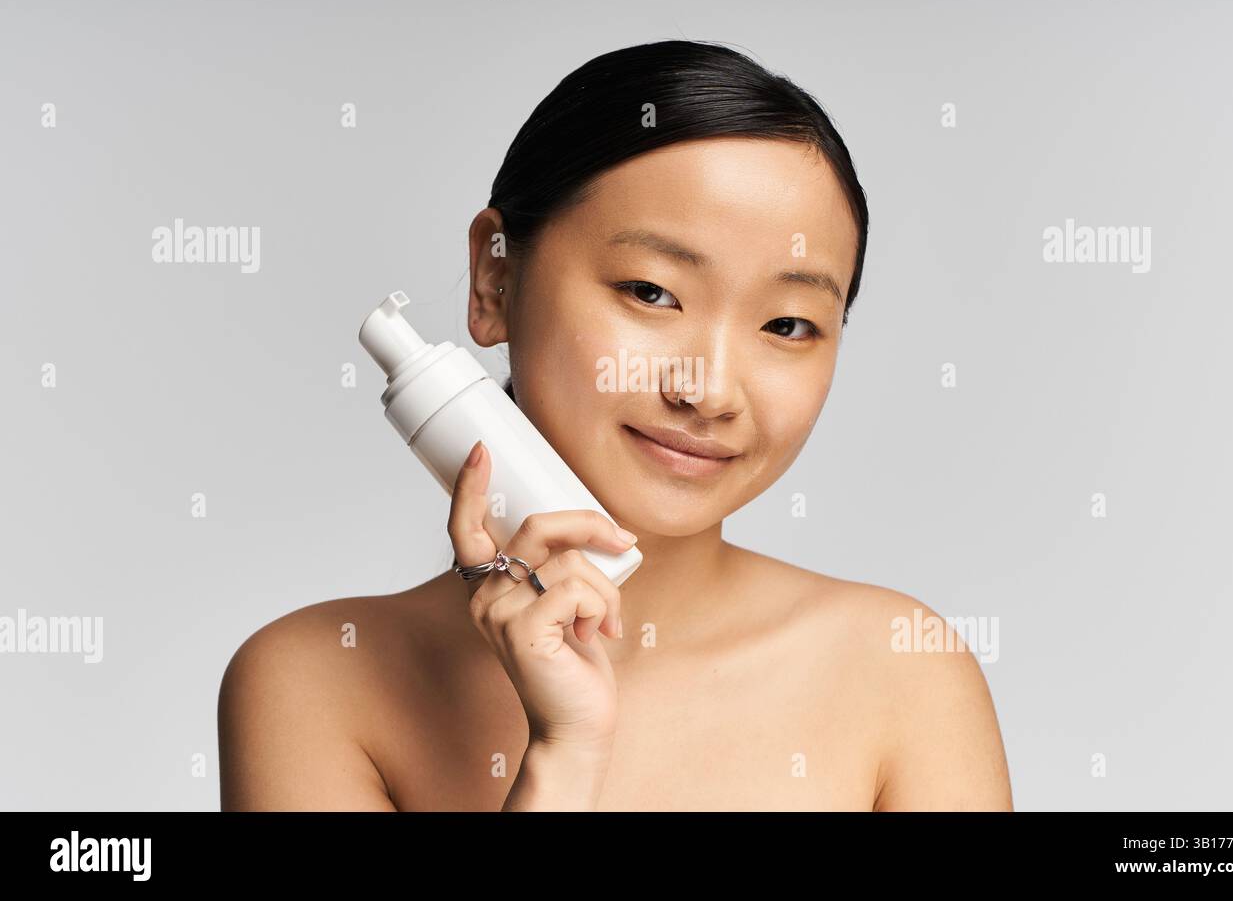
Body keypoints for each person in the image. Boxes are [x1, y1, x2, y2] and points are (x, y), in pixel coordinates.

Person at [218, 39, 1013, 811]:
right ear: (496, 277)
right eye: (650, 291)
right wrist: (563, 765)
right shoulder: (317, 684)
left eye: (788, 325)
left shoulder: (901, 673)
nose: (708, 392)